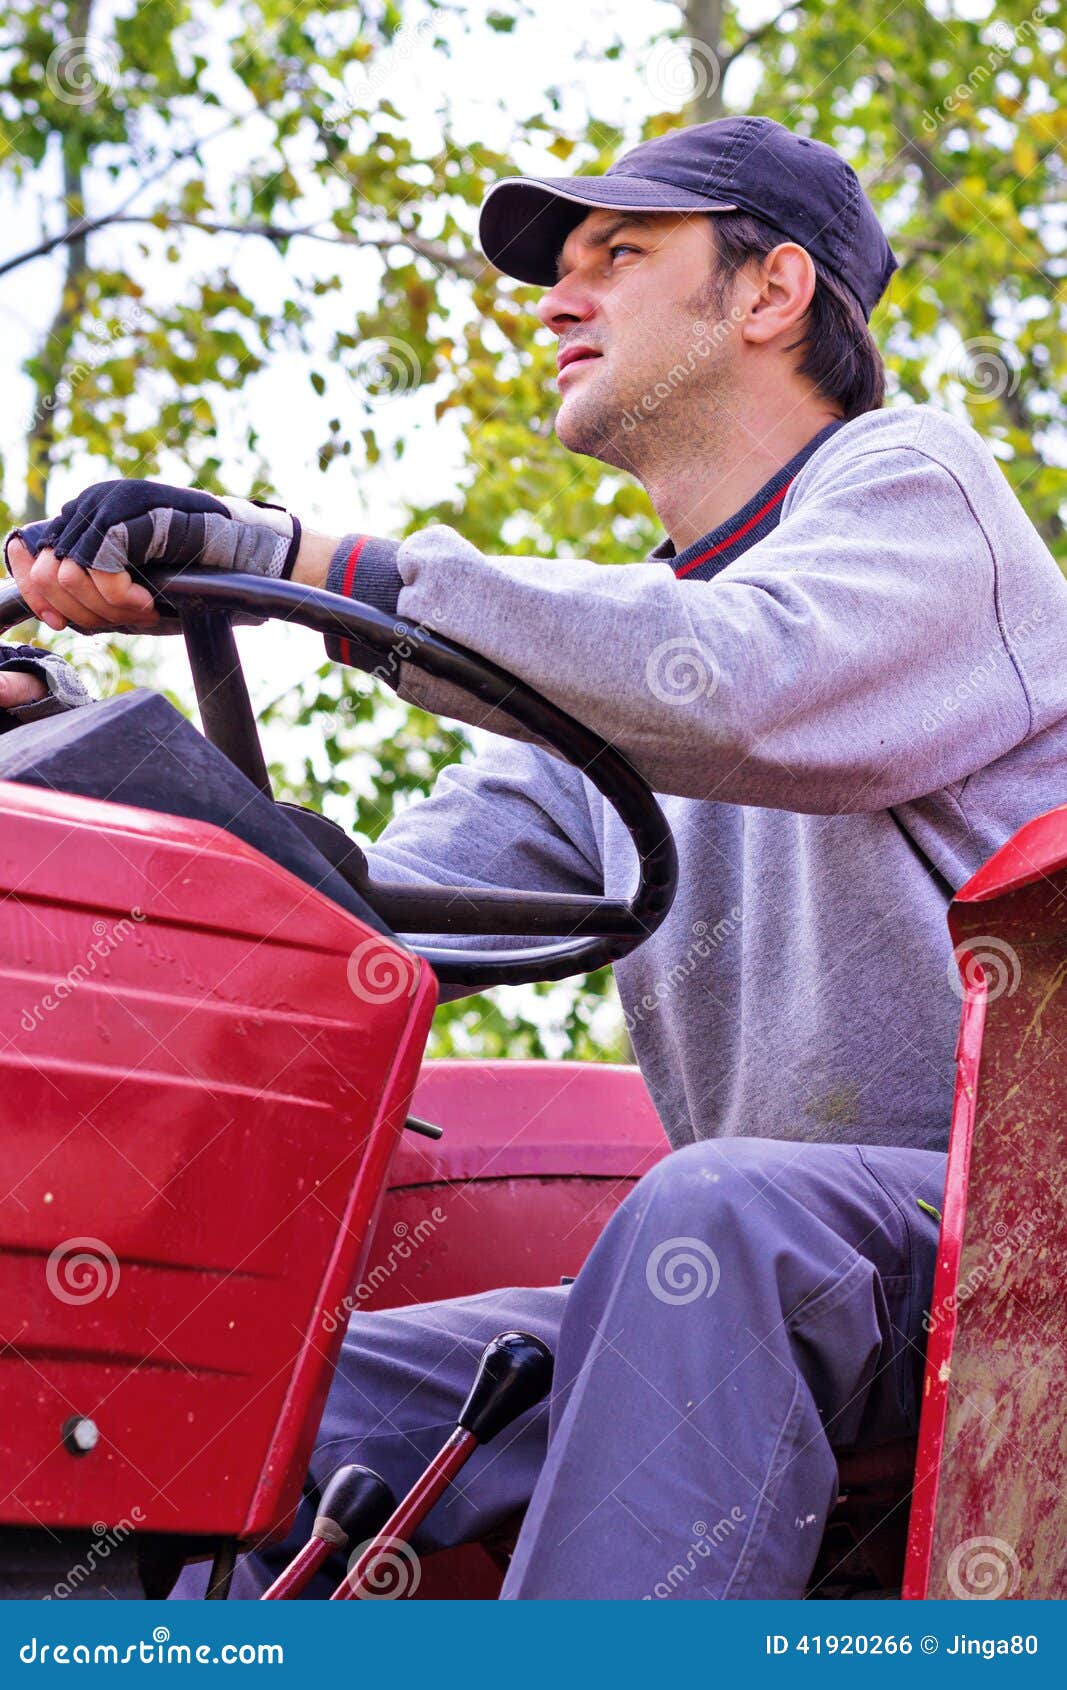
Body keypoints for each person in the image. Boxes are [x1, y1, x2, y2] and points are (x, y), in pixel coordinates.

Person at [4, 115, 1065, 1600]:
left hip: (1015, 1240)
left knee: (712, 1215)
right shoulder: (598, 672)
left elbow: (736, 677)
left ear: (770, 295)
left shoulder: (914, 498)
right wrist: (88, 754)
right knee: (289, 1386)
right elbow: (362, 916)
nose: (560, 300)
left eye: (617, 257)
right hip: (805, 1274)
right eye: (559, 271)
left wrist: (316, 565)